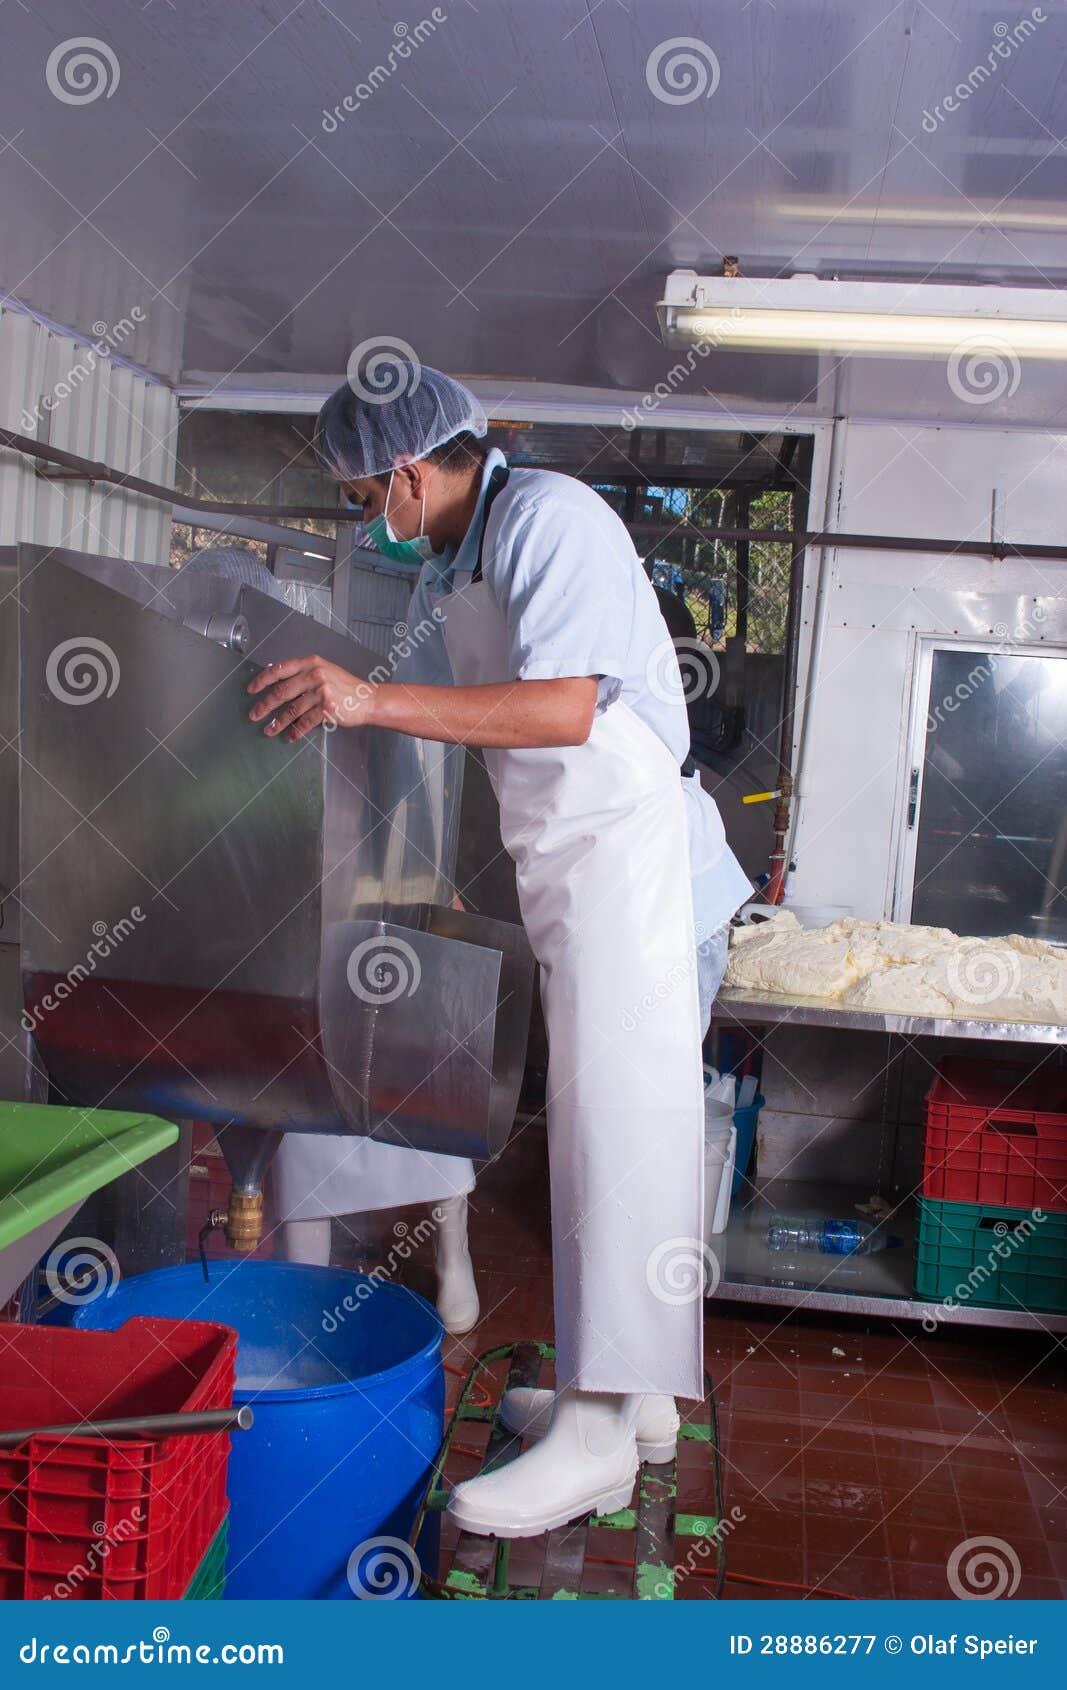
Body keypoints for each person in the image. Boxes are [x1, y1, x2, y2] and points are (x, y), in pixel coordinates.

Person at [248, 365, 749, 1537]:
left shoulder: (548, 518)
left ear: (413, 473)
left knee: (613, 1139)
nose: (367, 509)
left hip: (635, 870)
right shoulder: (466, 553)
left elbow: (565, 708)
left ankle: (590, 1436)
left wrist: (369, 702)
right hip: (583, 872)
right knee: (605, 1129)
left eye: (366, 489)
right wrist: (368, 698)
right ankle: (631, 1414)